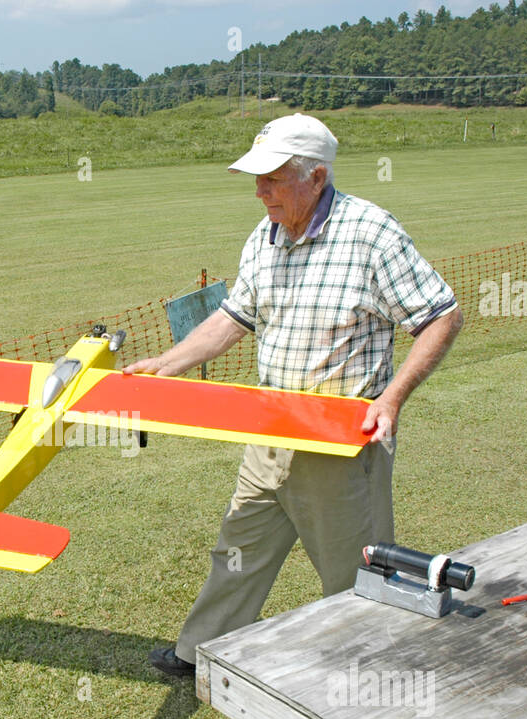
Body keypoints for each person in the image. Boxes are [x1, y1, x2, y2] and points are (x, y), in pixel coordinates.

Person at [124, 113, 464, 677]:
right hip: (269, 433)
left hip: (338, 446)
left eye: (272, 179)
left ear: (315, 176)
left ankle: (371, 670)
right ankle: (199, 653)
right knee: (238, 552)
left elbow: (442, 317)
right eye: (257, 179)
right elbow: (234, 317)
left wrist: (393, 398)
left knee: (354, 573)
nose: (259, 191)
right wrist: (169, 363)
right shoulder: (266, 234)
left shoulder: (372, 234)